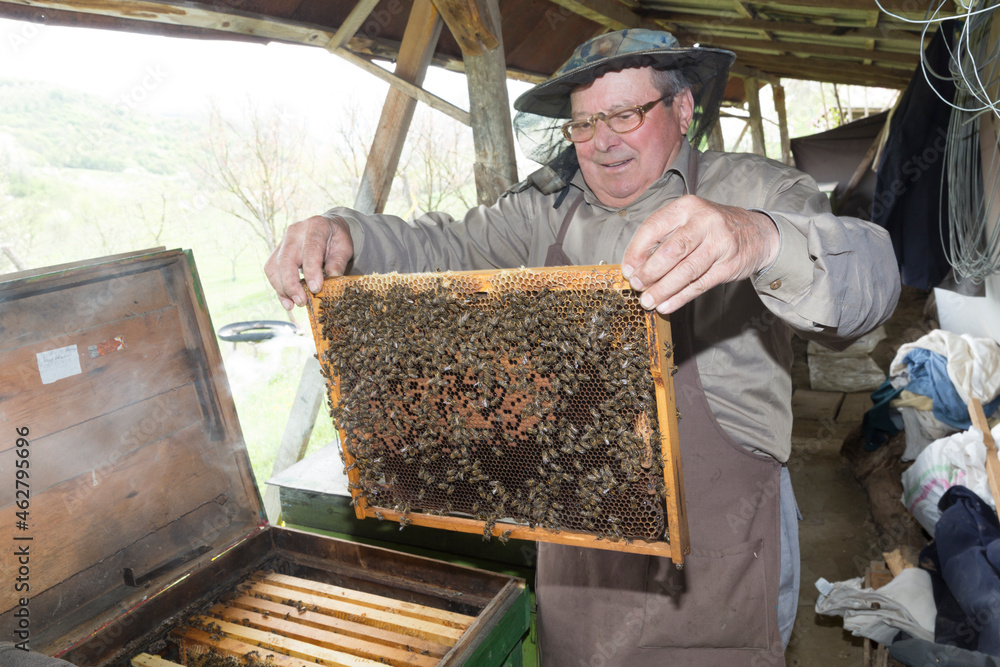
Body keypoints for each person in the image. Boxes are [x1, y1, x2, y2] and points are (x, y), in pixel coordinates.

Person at [265, 29, 900, 666]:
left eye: (625, 114)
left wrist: (759, 241)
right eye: (584, 123)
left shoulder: (763, 194)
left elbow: (870, 284)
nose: (602, 140)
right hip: (577, 525)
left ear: (681, 109)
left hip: (725, 540)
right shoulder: (544, 211)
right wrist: (344, 232)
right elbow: (441, 244)